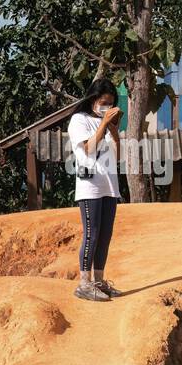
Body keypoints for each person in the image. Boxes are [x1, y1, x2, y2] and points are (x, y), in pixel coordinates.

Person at [67, 79, 123, 301]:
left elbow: (117, 156)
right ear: (92, 99)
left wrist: (113, 129)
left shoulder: (105, 123)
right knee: (92, 234)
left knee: (105, 235)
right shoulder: (78, 120)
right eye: (103, 102)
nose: (106, 107)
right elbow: (89, 149)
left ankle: (99, 281)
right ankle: (84, 283)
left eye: (110, 103)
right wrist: (103, 124)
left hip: (109, 184)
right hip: (90, 185)